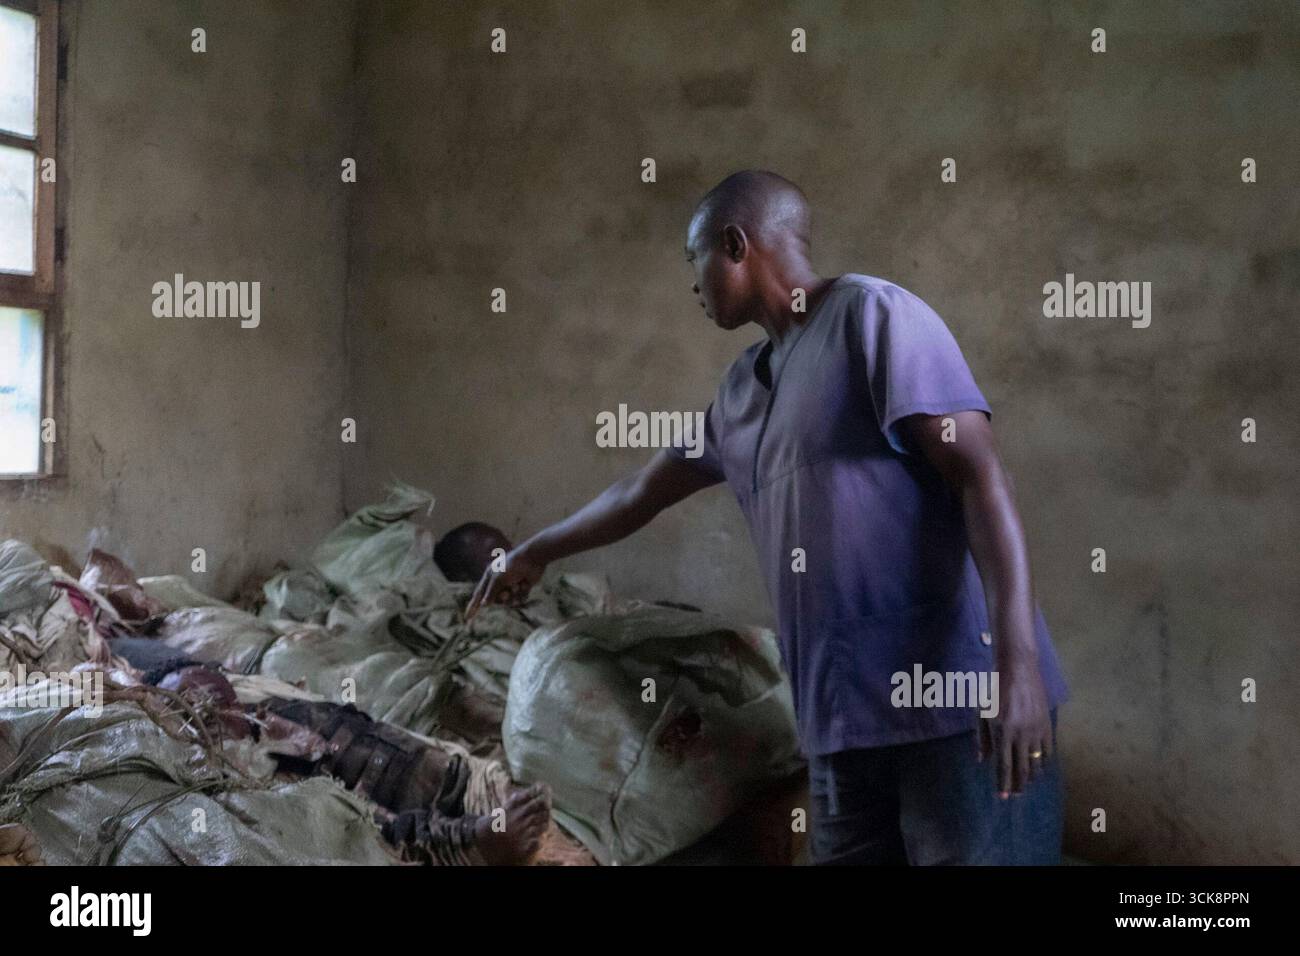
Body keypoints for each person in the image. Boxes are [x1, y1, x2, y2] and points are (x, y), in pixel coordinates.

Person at [467, 170, 1070, 865]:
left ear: (734, 243)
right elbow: (640, 491)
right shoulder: (739, 394)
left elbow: (983, 477)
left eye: (694, 260)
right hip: (842, 725)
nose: (692, 285)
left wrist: (1015, 664)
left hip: (958, 707)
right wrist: (532, 552)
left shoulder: (872, 317)